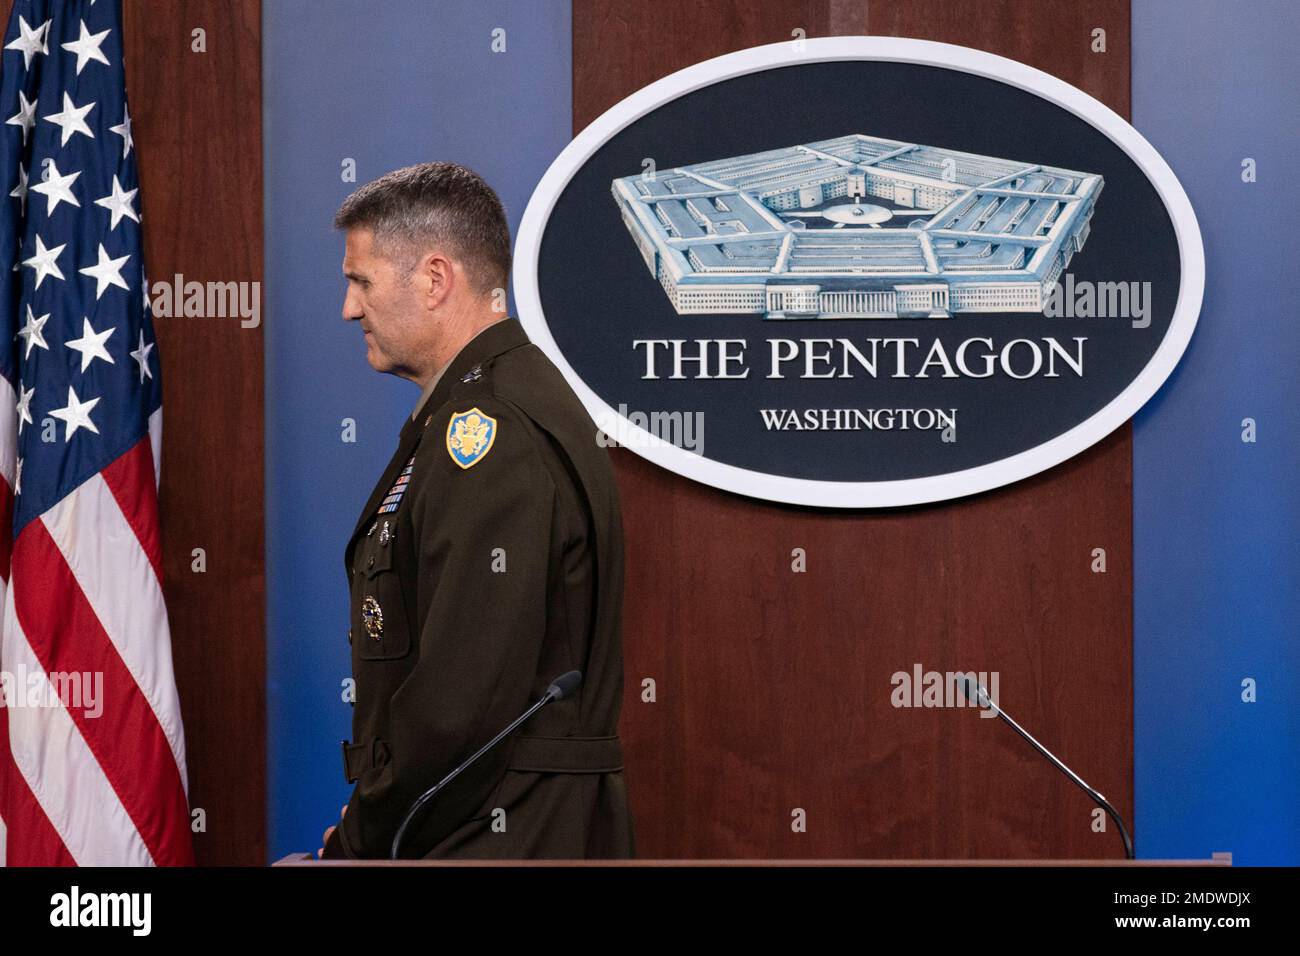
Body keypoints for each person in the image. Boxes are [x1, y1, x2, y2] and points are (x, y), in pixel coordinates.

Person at [316, 162, 634, 859]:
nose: (348, 307)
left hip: (501, 837)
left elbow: (461, 705)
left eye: (360, 280)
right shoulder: (481, 407)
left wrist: (356, 845)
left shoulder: (491, 431)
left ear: (434, 279)